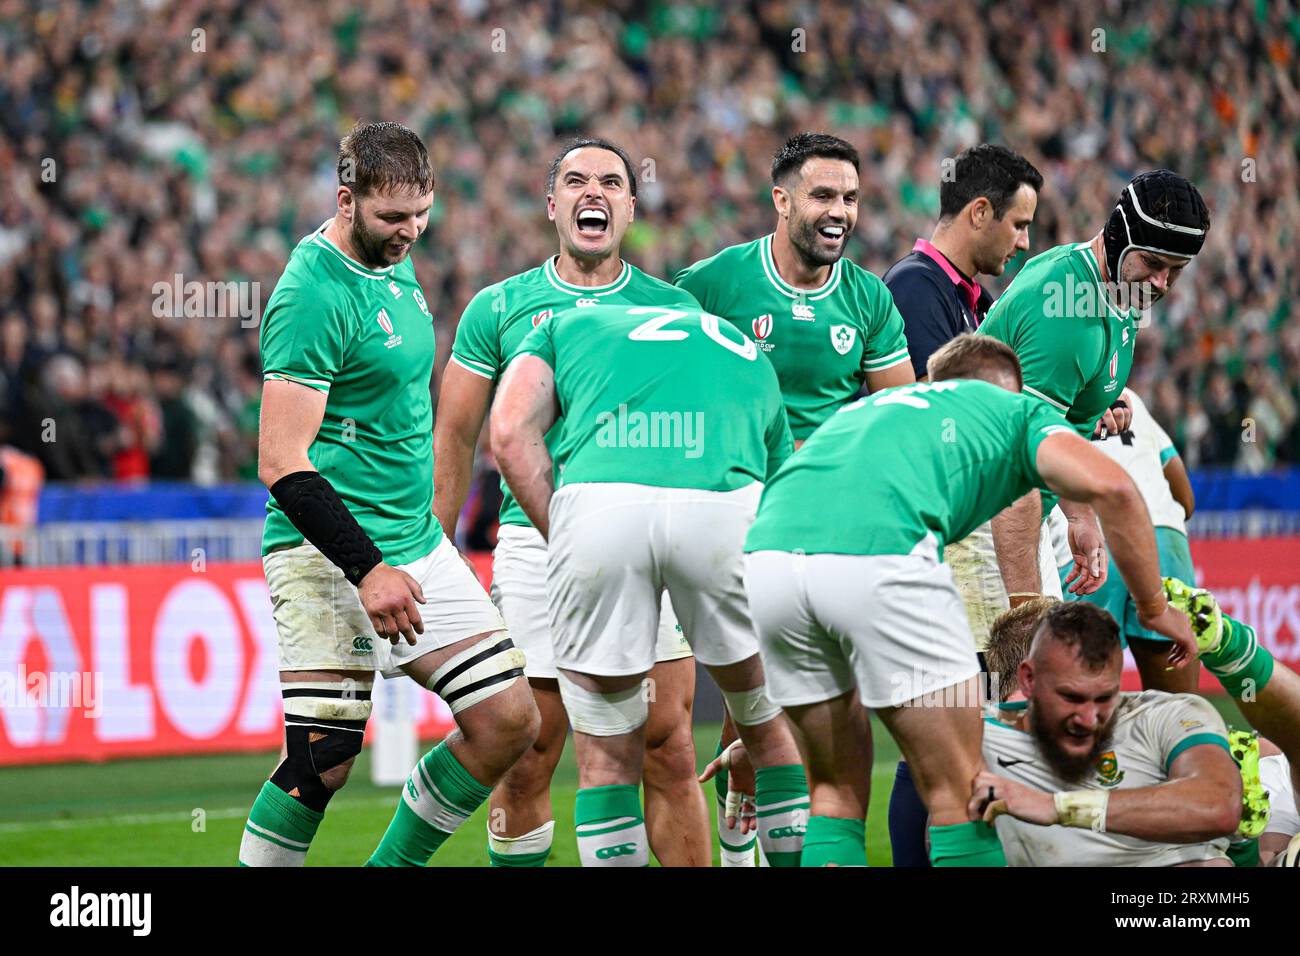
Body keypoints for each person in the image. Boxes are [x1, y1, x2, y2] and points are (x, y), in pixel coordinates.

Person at [739, 334, 1197, 866]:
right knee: (962, 794)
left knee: (834, 794)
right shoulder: (1013, 408)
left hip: (768, 559)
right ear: (1011, 387)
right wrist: (1155, 608)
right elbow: (1116, 489)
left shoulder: (873, 408)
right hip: (879, 552)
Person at [239, 121, 539, 868]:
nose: (411, 232)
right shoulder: (311, 293)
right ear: (346, 201)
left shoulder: (395, 261)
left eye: (421, 214)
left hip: (414, 542)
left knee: (508, 719)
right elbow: (279, 460)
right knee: (323, 761)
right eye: (392, 218)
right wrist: (367, 568)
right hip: (327, 551)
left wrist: (425, 533)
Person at [432, 137, 708, 867]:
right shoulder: (501, 307)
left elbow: (701, 437)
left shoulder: (674, 309)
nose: (595, 192)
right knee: (529, 748)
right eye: (577, 181)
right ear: (552, 203)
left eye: (612, 182)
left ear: (629, 207)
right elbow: (456, 434)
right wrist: (438, 549)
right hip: (536, 544)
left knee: (668, 747)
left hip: (647, 544)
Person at [490, 302, 807, 867]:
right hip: (723, 506)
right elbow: (785, 491)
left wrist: (562, 536)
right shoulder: (736, 335)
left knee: (608, 761)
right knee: (769, 736)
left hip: (600, 506)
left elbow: (510, 434)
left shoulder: (560, 326)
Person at [674, 131, 914, 862]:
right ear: (780, 200)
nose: (839, 211)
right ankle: (746, 822)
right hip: (737, 516)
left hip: (832, 524)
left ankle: (742, 814)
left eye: (849, 198)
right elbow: (677, 390)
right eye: (822, 196)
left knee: (790, 703)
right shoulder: (712, 285)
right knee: (768, 695)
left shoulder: (869, 299)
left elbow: (896, 416)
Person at [881, 142, 1043, 867]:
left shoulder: (955, 296)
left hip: (947, 543)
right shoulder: (917, 291)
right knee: (947, 732)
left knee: (954, 731)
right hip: (941, 549)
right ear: (978, 212)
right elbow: (948, 433)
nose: (1024, 241)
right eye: (1017, 223)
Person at [978, 169, 1212, 647]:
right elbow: (1016, 470)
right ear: (1118, 236)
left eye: (1176, 269)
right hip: (981, 523)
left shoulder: (1117, 291)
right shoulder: (1067, 314)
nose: (1163, 282)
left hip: (1019, 520)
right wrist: (1023, 617)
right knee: (1000, 697)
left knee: (1029, 707)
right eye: (1152, 262)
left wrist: (1079, 518)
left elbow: (1055, 432)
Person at [976, 601, 1241, 866]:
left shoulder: (1164, 716)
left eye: (1104, 698)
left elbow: (1219, 806)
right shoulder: (982, 738)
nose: (1089, 720)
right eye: (1072, 697)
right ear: (1029, 679)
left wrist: (1057, 807)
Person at [1064, 388, 1201, 692]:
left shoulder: (1046, 390)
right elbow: (1186, 500)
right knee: (1180, 713)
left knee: (1081, 701)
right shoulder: (1130, 398)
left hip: (1093, 542)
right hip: (1163, 538)